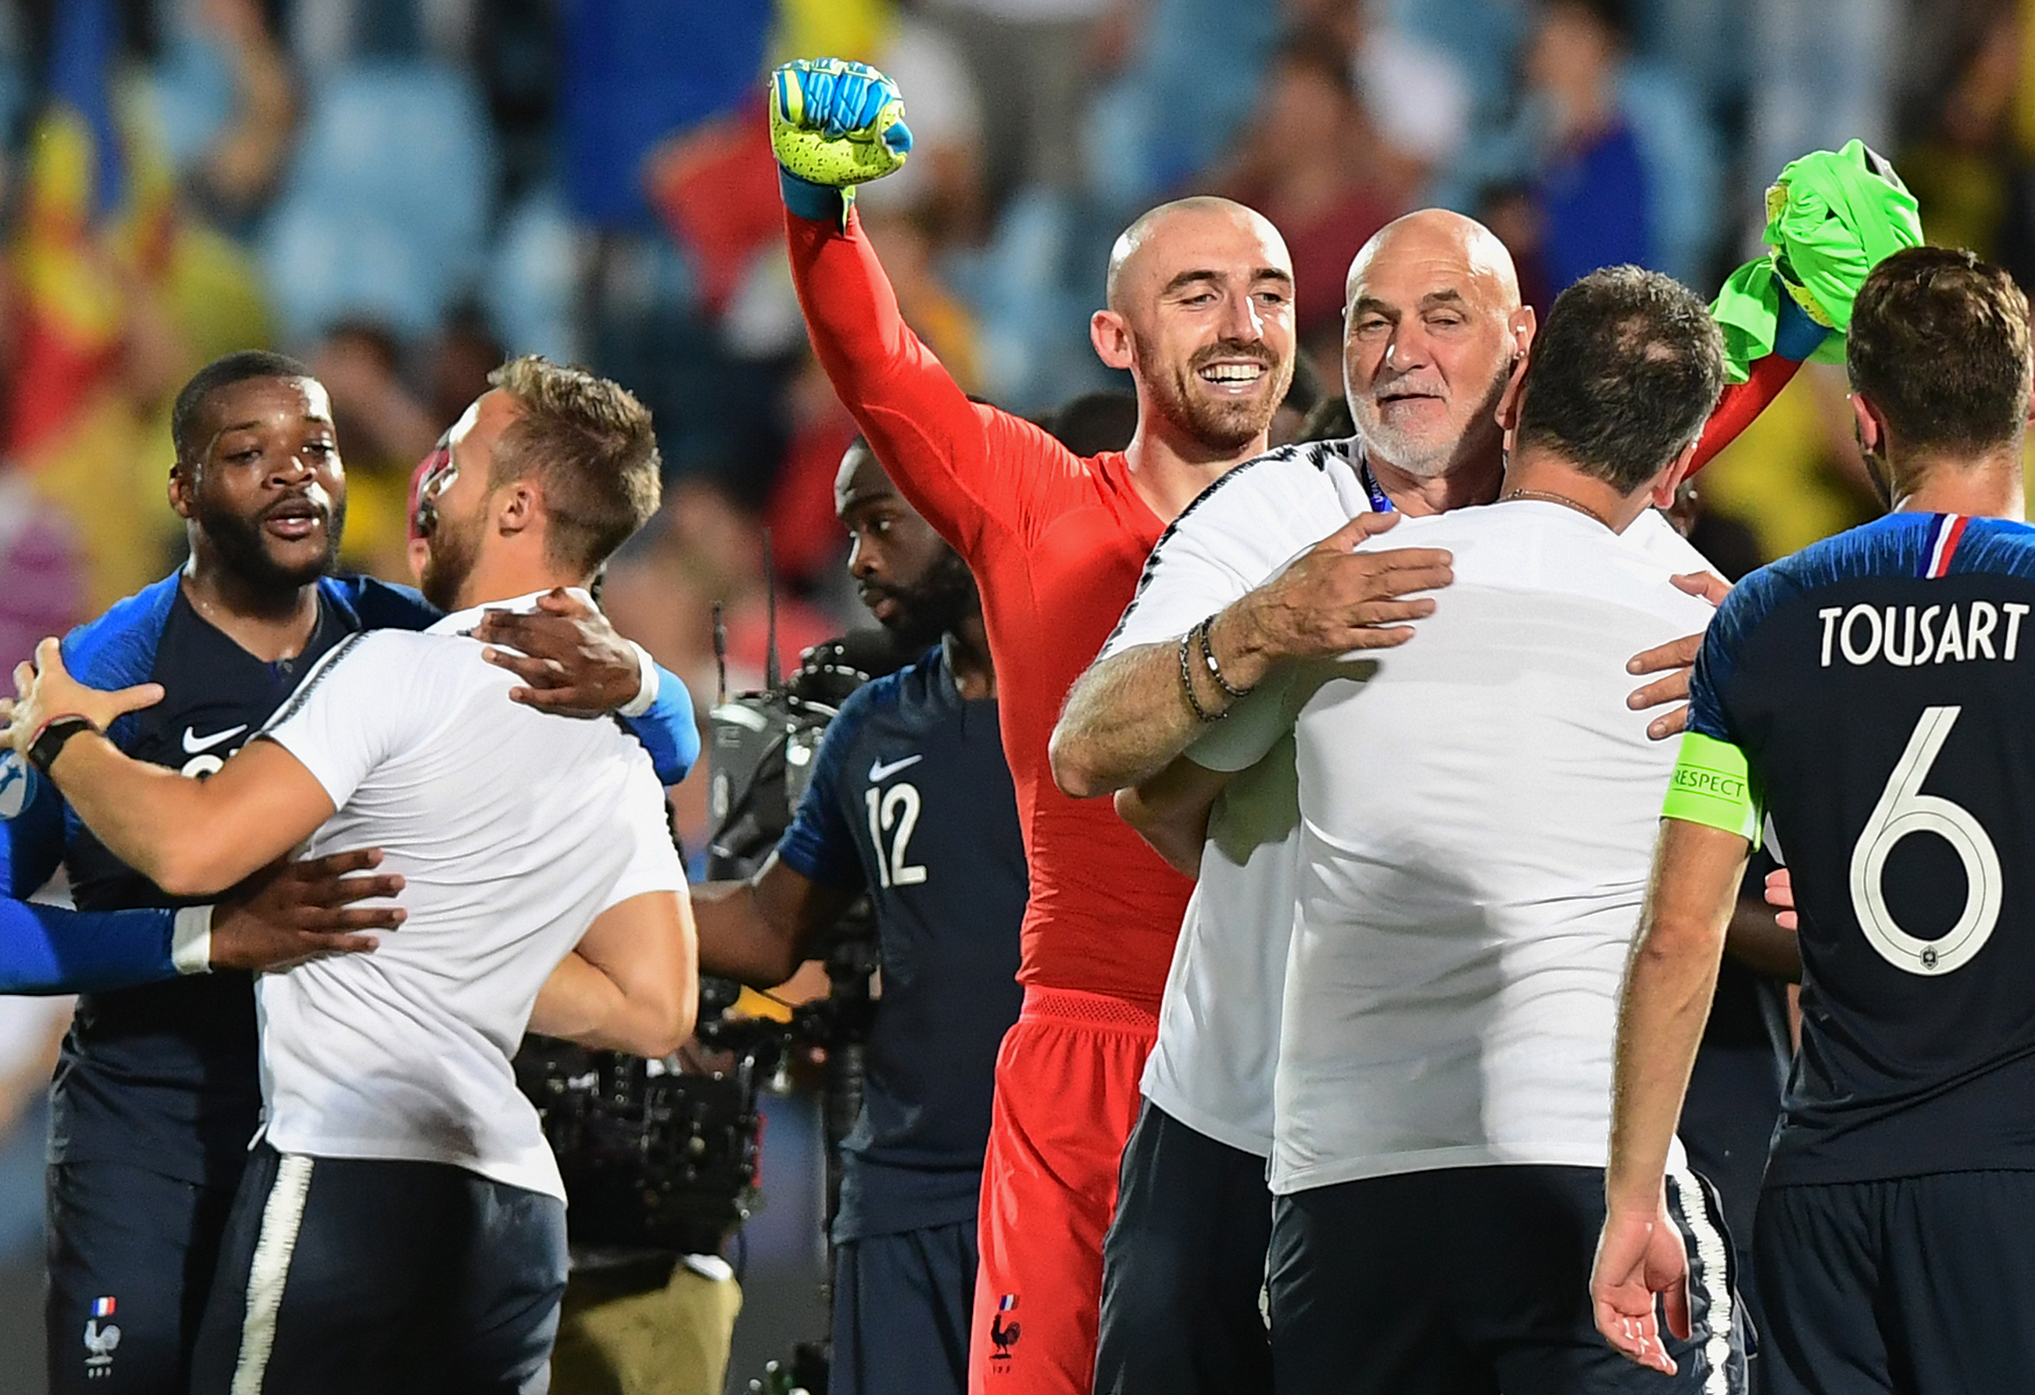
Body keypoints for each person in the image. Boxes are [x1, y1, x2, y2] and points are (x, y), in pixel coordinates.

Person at [766, 56, 1450, 1393]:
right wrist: (819, 217)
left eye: (1266, 292)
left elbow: (1594, 461)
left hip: (1308, 1048)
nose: (1241, 320)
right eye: (1196, 294)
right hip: (1091, 1041)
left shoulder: (1371, 513)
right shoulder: (1032, 499)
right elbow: (882, 370)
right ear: (1115, 340)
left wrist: (1769, 333)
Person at [3, 349, 700, 1395]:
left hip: (338, 1143)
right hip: (153, 1134)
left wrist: (647, 681)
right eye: (250, 454)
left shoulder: (397, 641)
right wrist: (200, 939)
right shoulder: (104, 668)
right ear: (183, 490)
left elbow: (665, 751)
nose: (296, 474)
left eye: (319, 448)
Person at [1165, 265, 1743, 1391]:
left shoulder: (1350, 585)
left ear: (1514, 399)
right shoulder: (1703, 641)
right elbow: (1723, 921)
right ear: (1675, 472)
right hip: (1576, 1169)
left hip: (1342, 1199)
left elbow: (1162, 794)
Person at [1594, 247, 2035, 1393]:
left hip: (1823, 1189)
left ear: (1863, 424)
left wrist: (1633, 1195)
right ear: (2030, 390)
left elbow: (1677, 936)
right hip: (2017, 1185)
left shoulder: (1760, 624)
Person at [693, 436, 1024, 1395]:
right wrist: (594, 893)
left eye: (881, 523)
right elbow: (766, 928)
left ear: (968, 514)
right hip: (900, 1191)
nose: (858, 561)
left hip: (1071, 1181)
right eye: (849, 531)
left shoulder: (1100, 701)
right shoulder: (871, 725)